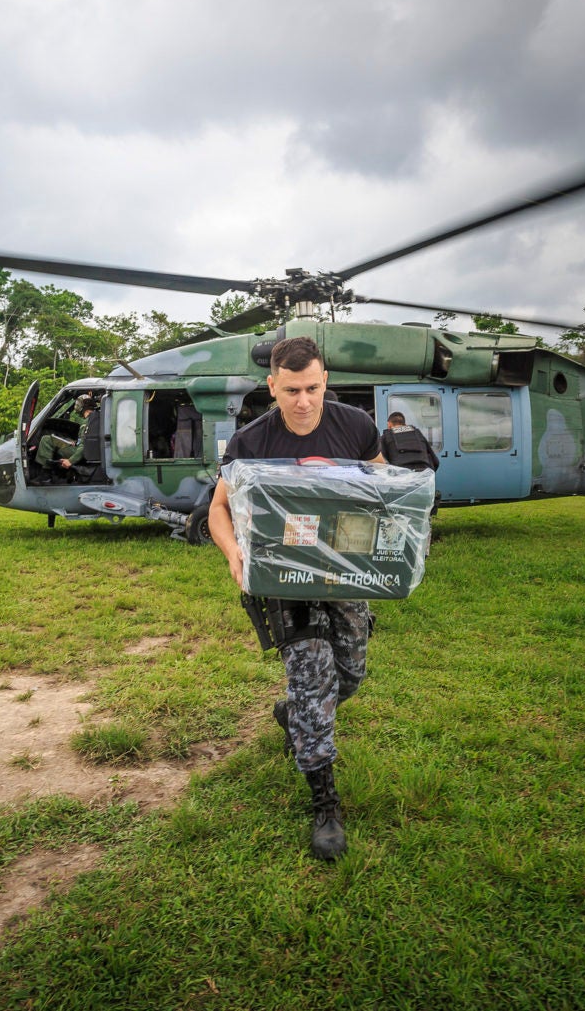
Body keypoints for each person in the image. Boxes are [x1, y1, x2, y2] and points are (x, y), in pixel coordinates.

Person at [209, 336, 383, 861]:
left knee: (349, 674)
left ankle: (297, 714)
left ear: (324, 381)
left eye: (311, 388)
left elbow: (385, 486)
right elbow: (218, 507)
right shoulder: (251, 441)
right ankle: (325, 802)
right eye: (291, 390)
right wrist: (233, 552)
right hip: (283, 577)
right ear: (272, 386)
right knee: (313, 676)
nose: (303, 401)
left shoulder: (355, 425)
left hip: (345, 572)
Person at [35, 395, 95, 473]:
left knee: (47, 440)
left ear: (82, 406)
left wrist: (70, 461)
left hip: (82, 453)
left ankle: (45, 474)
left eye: (78, 404)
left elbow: (84, 446)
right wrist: (76, 443)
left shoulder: (87, 422)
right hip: (85, 450)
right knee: (66, 440)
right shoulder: (94, 419)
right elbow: (86, 441)